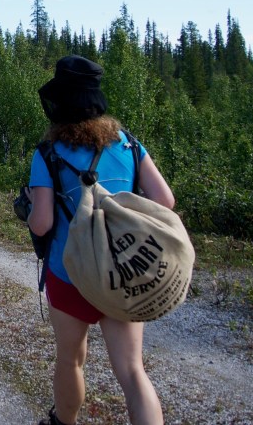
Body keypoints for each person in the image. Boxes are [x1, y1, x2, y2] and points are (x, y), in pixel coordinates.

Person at [26, 55, 176, 425]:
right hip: (123, 271)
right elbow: (165, 201)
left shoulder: (46, 154)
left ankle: (64, 422)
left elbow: (42, 224)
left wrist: (29, 208)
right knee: (131, 371)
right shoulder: (129, 145)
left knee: (71, 359)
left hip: (69, 272)